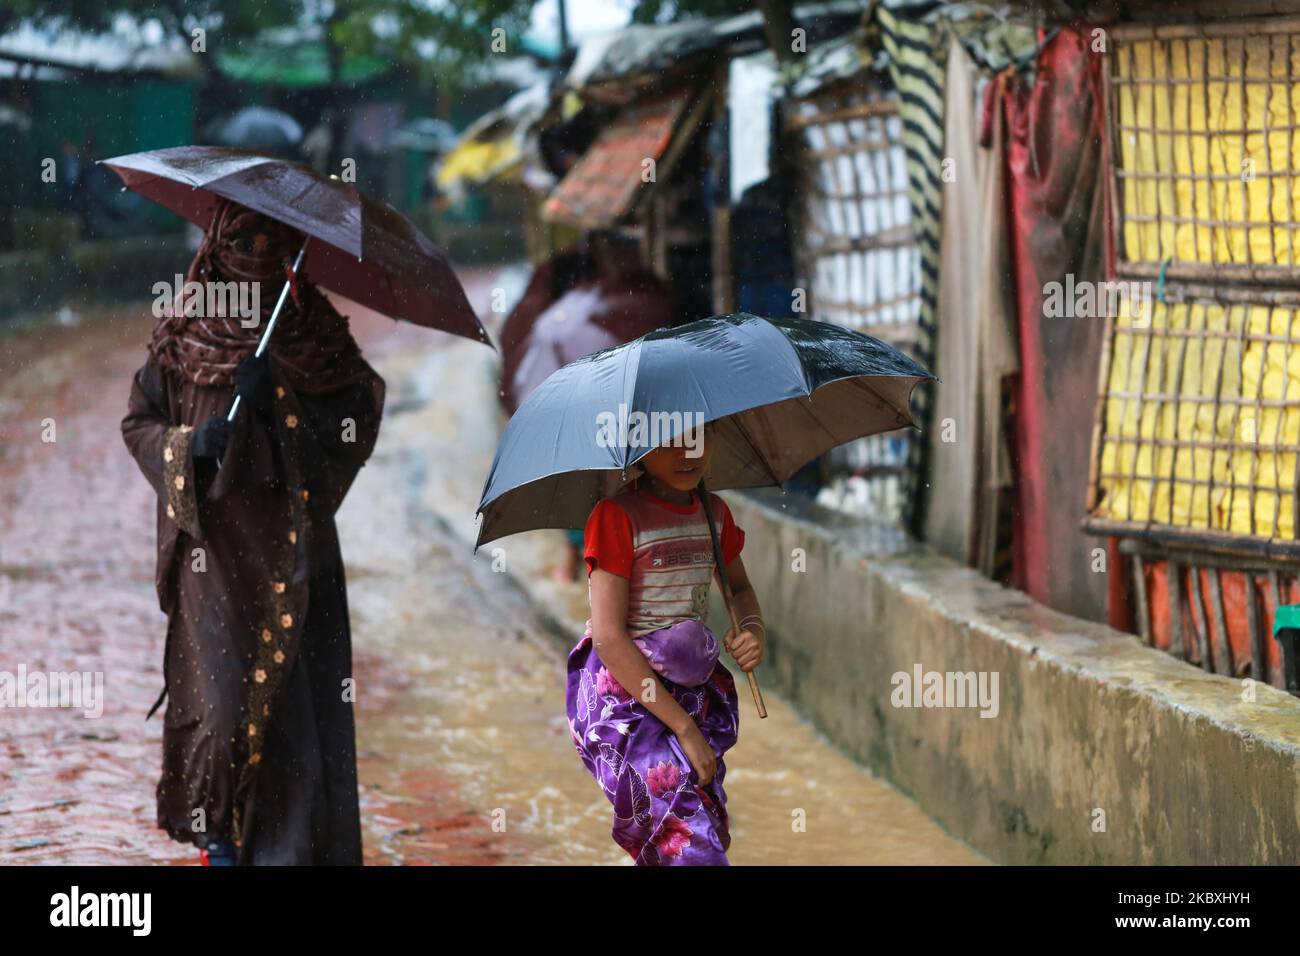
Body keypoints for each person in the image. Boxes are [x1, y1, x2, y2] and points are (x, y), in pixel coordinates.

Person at [121, 198, 385, 865]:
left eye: (273, 239)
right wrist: (191, 445)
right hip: (211, 556)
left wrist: (282, 400)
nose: (257, 250)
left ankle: (288, 851)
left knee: (294, 714)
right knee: (219, 704)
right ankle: (221, 838)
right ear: (216, 244)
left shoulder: (312, 332)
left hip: (295, 557)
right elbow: (140, 424)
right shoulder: (182, 330)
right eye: (243, 237)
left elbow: (355, 420)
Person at [565, 425, 765, 865]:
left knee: (707, 823)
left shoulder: (714, 515)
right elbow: (609, 637)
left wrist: (752, 631)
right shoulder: (617, 517)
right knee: (684, 837)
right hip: (624, 696)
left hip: (692, 693)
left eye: (699, 435)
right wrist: (684, 729)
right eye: (669, 439)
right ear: (638, 446)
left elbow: (741, 591)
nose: (687, 451)